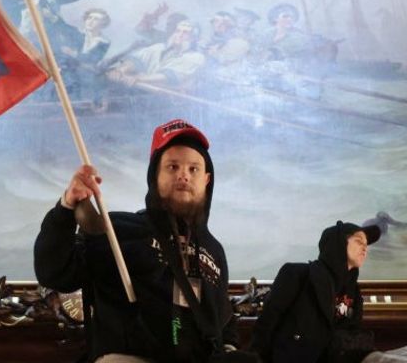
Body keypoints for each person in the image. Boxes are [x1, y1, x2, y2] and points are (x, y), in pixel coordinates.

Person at [35, 119, 253, 362]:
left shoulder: (214, 251)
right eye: (172, 167)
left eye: (194, 169)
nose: (184, 176)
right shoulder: (116, 230)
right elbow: (55, 272)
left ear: (206, 180)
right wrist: (66, 207)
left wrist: (231, 350)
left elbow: (223, 319)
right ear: (155, 176)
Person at [251, 221, 380, 363]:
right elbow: (266, 324)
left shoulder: (354, 291)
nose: (364, 248)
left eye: (366, 244)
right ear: (338, 243)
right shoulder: (297, 274)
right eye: (359, 241)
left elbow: (353, 334)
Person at [108, 19, 206, 90]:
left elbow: (169, 76)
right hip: (141, 93)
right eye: (178, 31)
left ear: (194, 38)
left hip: (167, 102)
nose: (179, 35)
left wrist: (138, 78)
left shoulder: (196, 57)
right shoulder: (159, 48)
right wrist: (120, 70)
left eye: (185, 33)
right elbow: (136, 60)